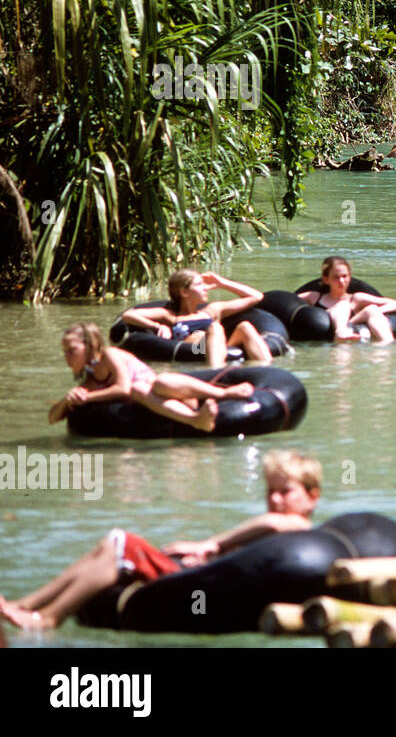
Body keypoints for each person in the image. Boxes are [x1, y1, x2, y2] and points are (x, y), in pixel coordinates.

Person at [0, 451, 321, 631]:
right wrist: (208, 559)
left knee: (122, 543)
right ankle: (28, 605)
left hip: (206, 590)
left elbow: (274, 522)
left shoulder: (295, 529)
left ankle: (47, 618)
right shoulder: (276, 536)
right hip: (204, 582)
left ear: (312, 497)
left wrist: (209, 545)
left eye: (286, 491)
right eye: (270, 491)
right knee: (110, 546)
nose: (275, 499)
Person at [46, 323, 254, 433]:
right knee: (140, 389)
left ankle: (224, 392)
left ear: (90, 345)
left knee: (157, 382)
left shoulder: (109, 355)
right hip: (157, 402)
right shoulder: (90, 377)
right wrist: (68, 399)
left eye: (72, 350)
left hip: (173, 394)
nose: (67, 357)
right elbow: (52, 418)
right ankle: (196, 421)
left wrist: (88, 398)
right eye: (64, 351)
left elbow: (123, 388)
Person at [120, 270, 273, 366]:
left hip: (220, 347)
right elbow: (128, 315)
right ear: (184, 292)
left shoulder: (212, 310)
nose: (205, 287)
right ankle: (214, 372)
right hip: (192, 350)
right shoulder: (170, 316)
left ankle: (267, 369)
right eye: (199, 285)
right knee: (212, 328)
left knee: (244, 326)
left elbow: (257, 297)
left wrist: (222, 283)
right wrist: (157, 326)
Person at [297, 256, 396, 343]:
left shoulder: (356, 298)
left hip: (352, 326)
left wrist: (380, 311)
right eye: (336, 277)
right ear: (326, 279)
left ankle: (387, 343)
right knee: (342, 305)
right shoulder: (314, 297)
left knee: (372, 309)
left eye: (344, 276)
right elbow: (286, 302)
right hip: (324, 326)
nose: (341, 281)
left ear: (350, 277)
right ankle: (340, 332)